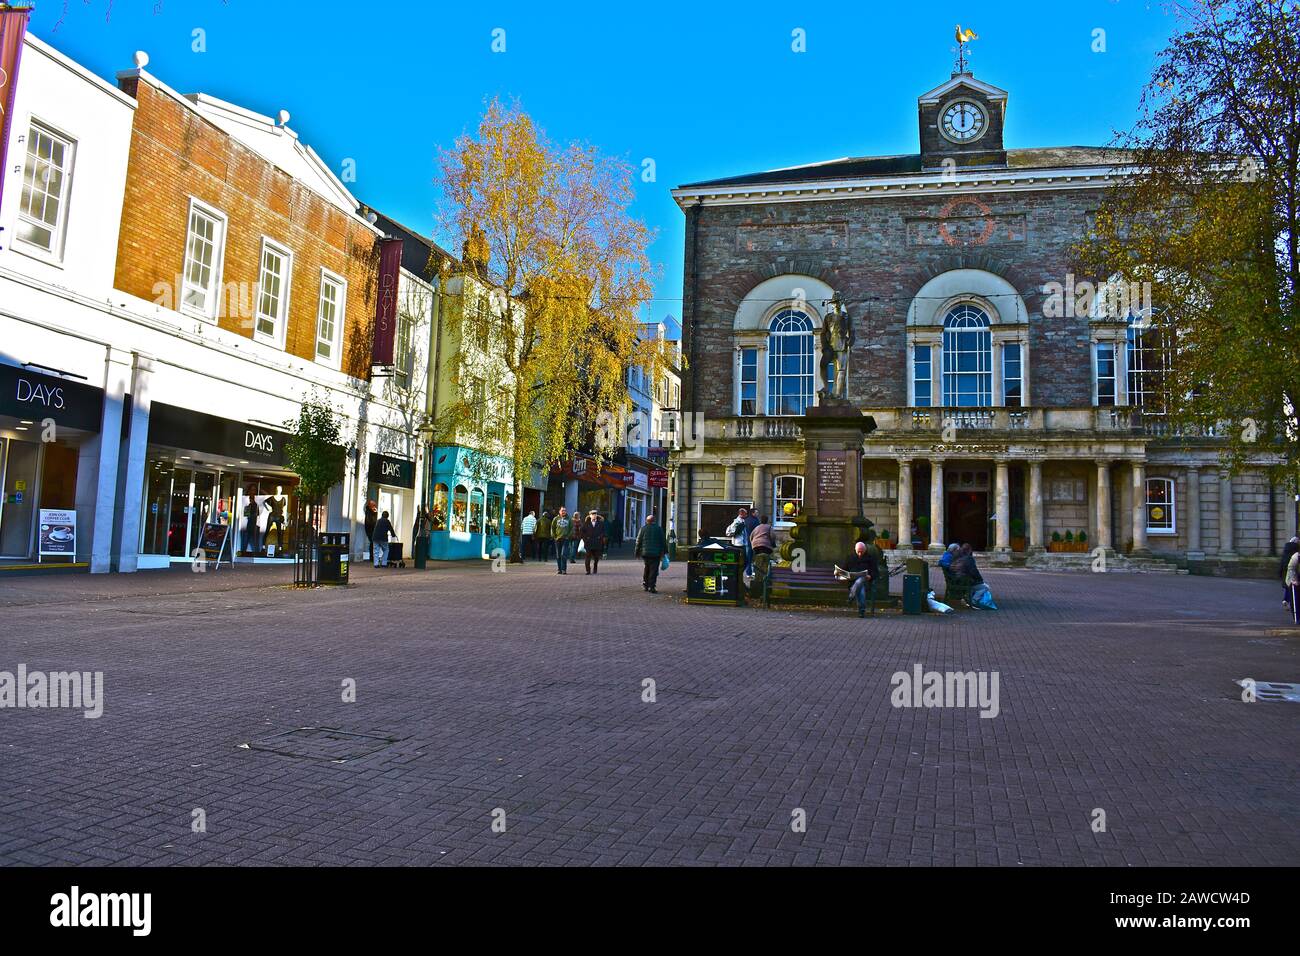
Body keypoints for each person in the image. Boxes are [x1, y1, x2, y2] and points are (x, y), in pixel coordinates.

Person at [842, 540, 879, 618]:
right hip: (852, 582)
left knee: (860, 580)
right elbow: (844, 570)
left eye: (861, 552)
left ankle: (851, 596)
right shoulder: (850, 558)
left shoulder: (870, 559)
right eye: (858, 552)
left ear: (865, 550)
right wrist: (840, 573)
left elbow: (875, 572)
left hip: (866, 582)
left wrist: (870, 576)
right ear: (855, 550)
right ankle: (861, 611)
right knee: (860, 589)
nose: (860, 553)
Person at [635, 513, 667, 593]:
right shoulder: (659, 529)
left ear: (647, 521)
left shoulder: (643, 529)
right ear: (654, 521)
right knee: (654, 569)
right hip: (656, 553)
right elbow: (663, 541)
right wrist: (665, 552)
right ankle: (651, 586)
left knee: (647, 567)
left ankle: (645, 584)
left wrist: (637, 552)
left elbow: (638, 541)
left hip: (645, 553)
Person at [582, 510, 607, 574]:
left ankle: (595, 567)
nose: (594, 516)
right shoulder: (586, 523)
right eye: (592, 514)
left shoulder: (600, 523)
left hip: (597, 543)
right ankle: (588, 570)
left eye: (595, 514)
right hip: (588, 543)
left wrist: (600, 537)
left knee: (596, 557)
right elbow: (582, 533)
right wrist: (585, 539)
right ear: (590, 516)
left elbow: (603, 532)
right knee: (587, 557)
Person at [1281, 536, 1299, 609]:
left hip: (1285, 570)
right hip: (1292, 571)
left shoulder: (1286, 549)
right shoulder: (1295, 551)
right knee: (1292, 588)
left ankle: (1285, 599)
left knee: (1287, 586)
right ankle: (1291, 603)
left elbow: (1282, 562)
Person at [552, 508, 571, 574]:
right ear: (559, 511)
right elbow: (552, 528)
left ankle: (564, 569)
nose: (563, 512)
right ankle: (559, 569)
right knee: (558, 555)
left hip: (565, 539)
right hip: (558, 539)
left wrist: (568, 536)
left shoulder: (569, 519)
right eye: (562, 510)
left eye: (565, 510)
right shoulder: (555, 519)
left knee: (563, 554)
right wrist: (554, 536)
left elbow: (571, 528)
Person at [1287, 546, 1300, 624]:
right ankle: (1297, 618)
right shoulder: (1296, 556)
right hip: (1295, 578)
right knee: (1296, 599)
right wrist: (1294, 580)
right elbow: (1291, 568)